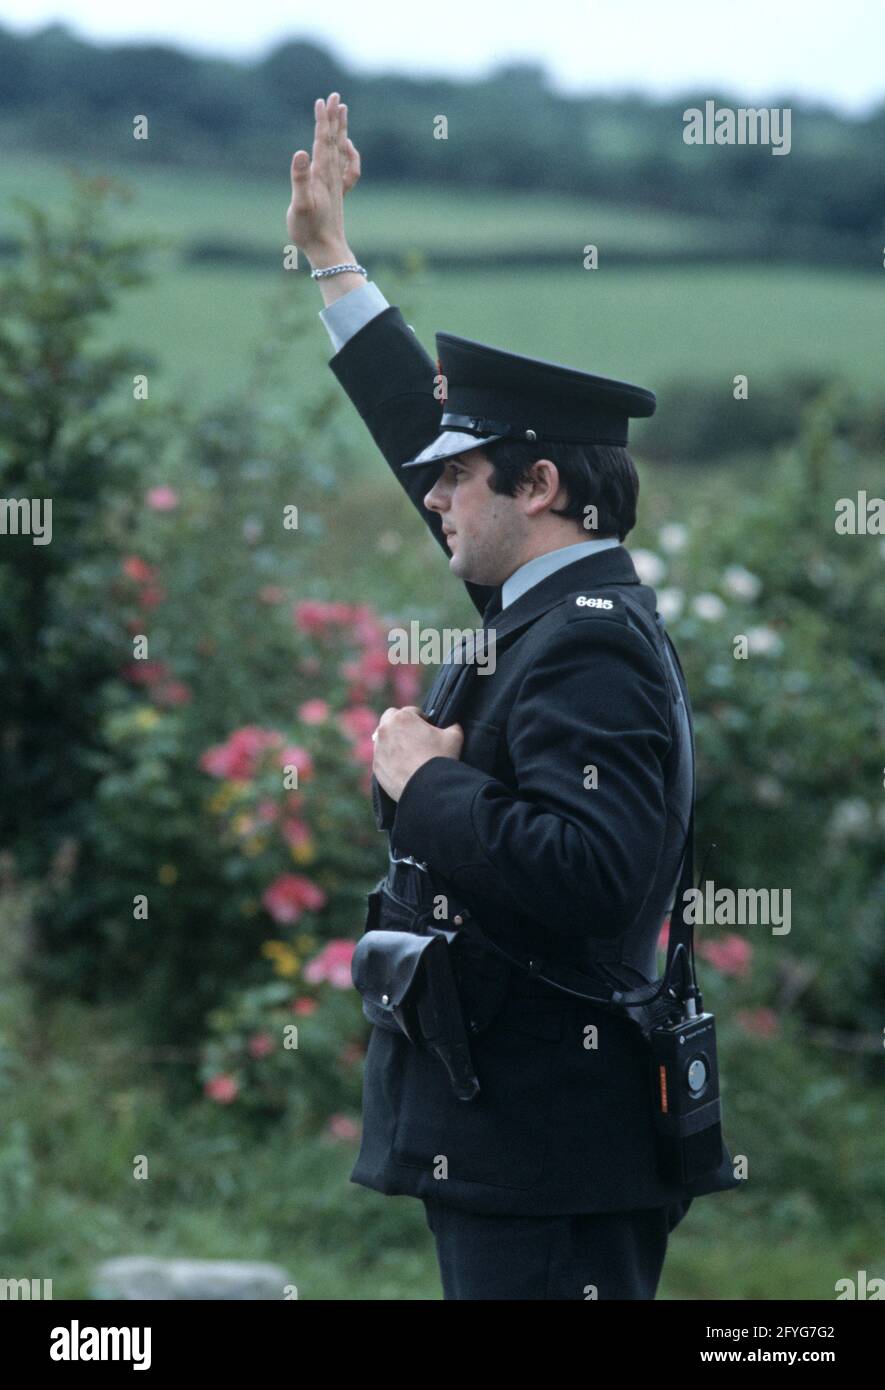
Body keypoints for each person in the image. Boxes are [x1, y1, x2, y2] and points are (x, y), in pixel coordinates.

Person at [287, 93, 740, 1301]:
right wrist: (334, 262)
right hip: (532, 1145)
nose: (431, 497)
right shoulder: (546, 596)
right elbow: (429, 443)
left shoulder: (586, 644)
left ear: (540, 485)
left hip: (553, 1159)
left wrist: (422, 781)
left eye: (461, 479)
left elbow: (588, 871)